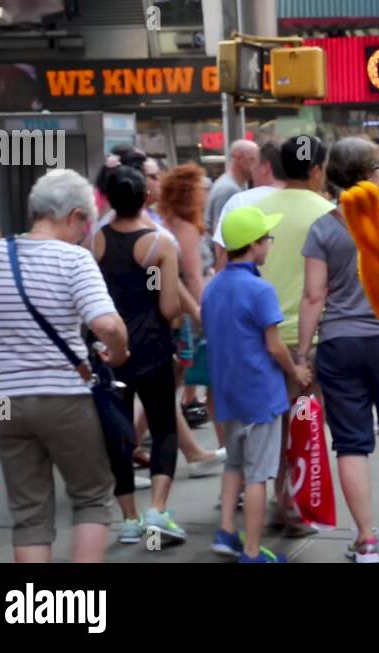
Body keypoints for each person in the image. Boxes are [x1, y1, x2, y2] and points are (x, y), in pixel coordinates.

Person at [0, 169, 129, 563]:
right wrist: (117, 350)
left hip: (4, 402)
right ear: (74, 216)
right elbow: (105, 323)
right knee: (91, 497)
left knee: (29, 515)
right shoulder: (75, 258)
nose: (87, 232)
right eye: (87, 222)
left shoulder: (0, 252)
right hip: (62, 395)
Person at [298, 136, 379, 563]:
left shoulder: (322, 229)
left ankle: (366, 538)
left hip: (340, 344)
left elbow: (314, 297)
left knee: (351, 443)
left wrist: (303, 353)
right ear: (375, 173)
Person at [216, 135, 334, 536]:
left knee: (264, 430)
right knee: (302, 426)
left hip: (256, 338)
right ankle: (294, 506)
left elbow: (223, 270)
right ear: (317, 170)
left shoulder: (255, 209)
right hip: (306, 340)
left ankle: (255, 507)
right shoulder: (330, 213)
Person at [205, 206, 312, 563]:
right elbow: (274, 343)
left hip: (227, 392)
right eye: (267, 238)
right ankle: (252, 550)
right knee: (258, 474)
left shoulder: (213, 286)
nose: (269, 244)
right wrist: (296, 372)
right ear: (253, 245)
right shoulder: (260, 289)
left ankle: (226, 532)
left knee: (233, 463)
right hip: (260, 393)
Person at [94, 165, 187, 545]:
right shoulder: (158, 244)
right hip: (151, 347)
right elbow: (168, 308)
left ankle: (129, 519)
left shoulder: (93, 242)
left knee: (118, 434)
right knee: (164, 427)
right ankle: (158, 510)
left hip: (108, 351)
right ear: (146, 199)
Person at [158, 163, 227, 472]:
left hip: (186, 314)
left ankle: (195, 453)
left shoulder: (176, 222)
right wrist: (206, 315)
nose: (207, 191)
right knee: (163, 390)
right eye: (203, 187)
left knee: (162, 390)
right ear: (189, 192)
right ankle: (124, 447)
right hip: (190, 316)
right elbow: (192, 275)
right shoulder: (184, 226)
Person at [214, 140, 287, 272]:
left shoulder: (239, 201)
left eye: (255, 163)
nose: (252, 169)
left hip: (247, 290)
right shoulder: (313, 203)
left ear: (266, 167)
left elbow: (224, 254)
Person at [202, 139, 259, 273]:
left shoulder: (230, 186)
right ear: (238, 158)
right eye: (253, 160)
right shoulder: (228, 189)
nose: (256, 165)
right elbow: (221, 235)